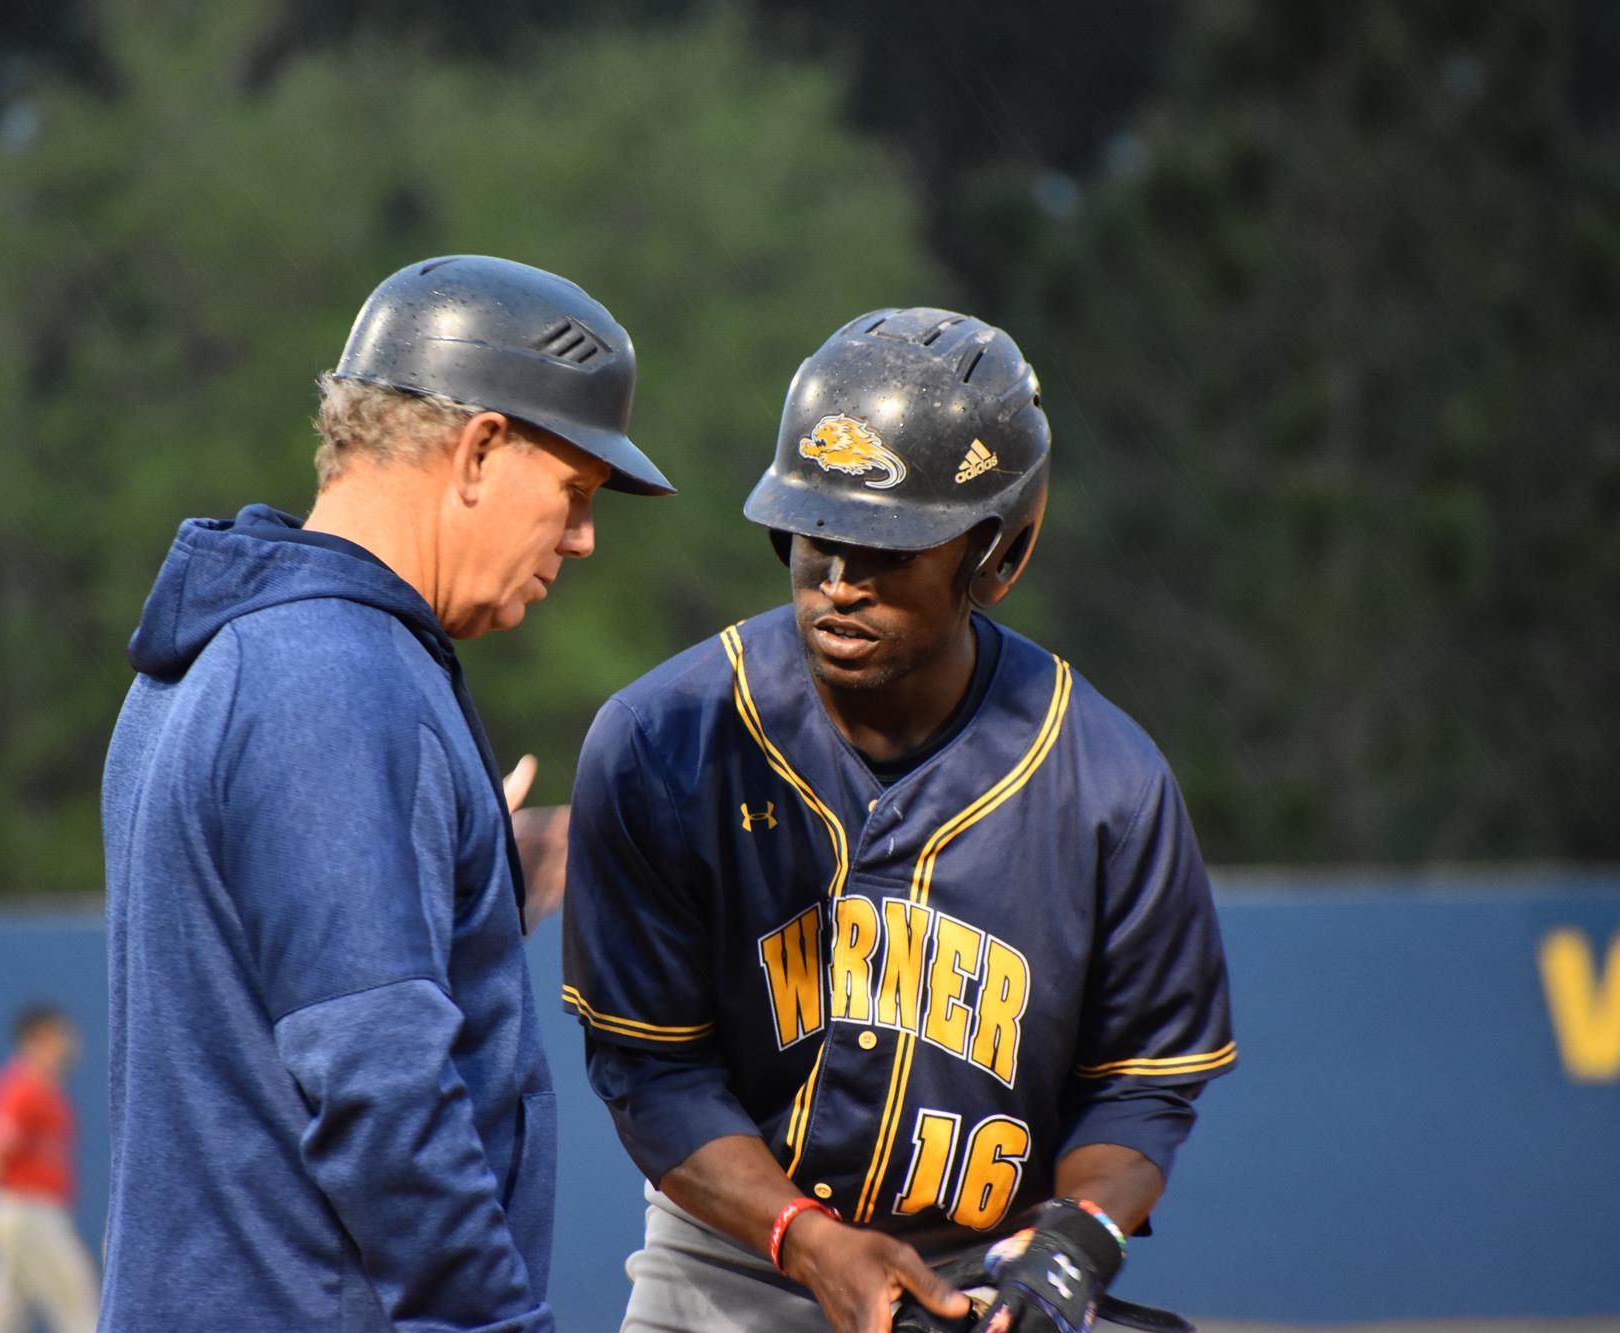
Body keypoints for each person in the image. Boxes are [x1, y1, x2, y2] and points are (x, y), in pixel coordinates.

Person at [560, 308, 1236, 1333]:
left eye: (884, 545)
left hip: (981, 1276)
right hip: (729, 1263)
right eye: (814, 534)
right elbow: (652, 1072)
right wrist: (806, 1238)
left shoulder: (1107, 783)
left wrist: (1074, 1242)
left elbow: (1138, 1087)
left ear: (996, 551)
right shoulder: (664, 740)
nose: (838, 581)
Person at [99, 255, 673, 1331]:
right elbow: (381, 1093)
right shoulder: (331, 677)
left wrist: (466, 878)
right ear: (480, 449)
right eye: (575, 491)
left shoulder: (231, 647)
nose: (583, 536)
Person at [0, 1002, 99, 1333]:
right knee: (81, 1310)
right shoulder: (21, 1089)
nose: (71, 1041)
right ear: (38, 1038)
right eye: (62, 1034)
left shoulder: (44, 1090)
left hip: (22, 1215)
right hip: (26, 1212)